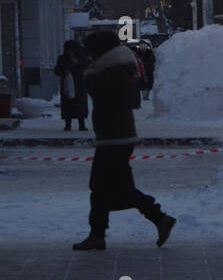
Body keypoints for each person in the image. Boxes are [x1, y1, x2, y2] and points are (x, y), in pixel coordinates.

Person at [72, 29, 175, 252]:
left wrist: (90, 77)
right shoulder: (116, 69)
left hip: (115, 137)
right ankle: (155, 219)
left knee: (104, 188)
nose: (89, 56)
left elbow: (110, 98)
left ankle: (101, 233)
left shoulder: (113, 72)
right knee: (109, 188)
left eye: (92, 52)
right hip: (115, 136)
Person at [54, 39, 88, 131]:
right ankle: (68, 124)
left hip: (79, 84)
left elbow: (86, 66)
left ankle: (81, 124)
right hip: (68, 83)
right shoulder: (62, 58)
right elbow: (57, 70)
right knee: (68, 105)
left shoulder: (81, 58)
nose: (70, 52)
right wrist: (64, 71)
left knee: (80, 105)